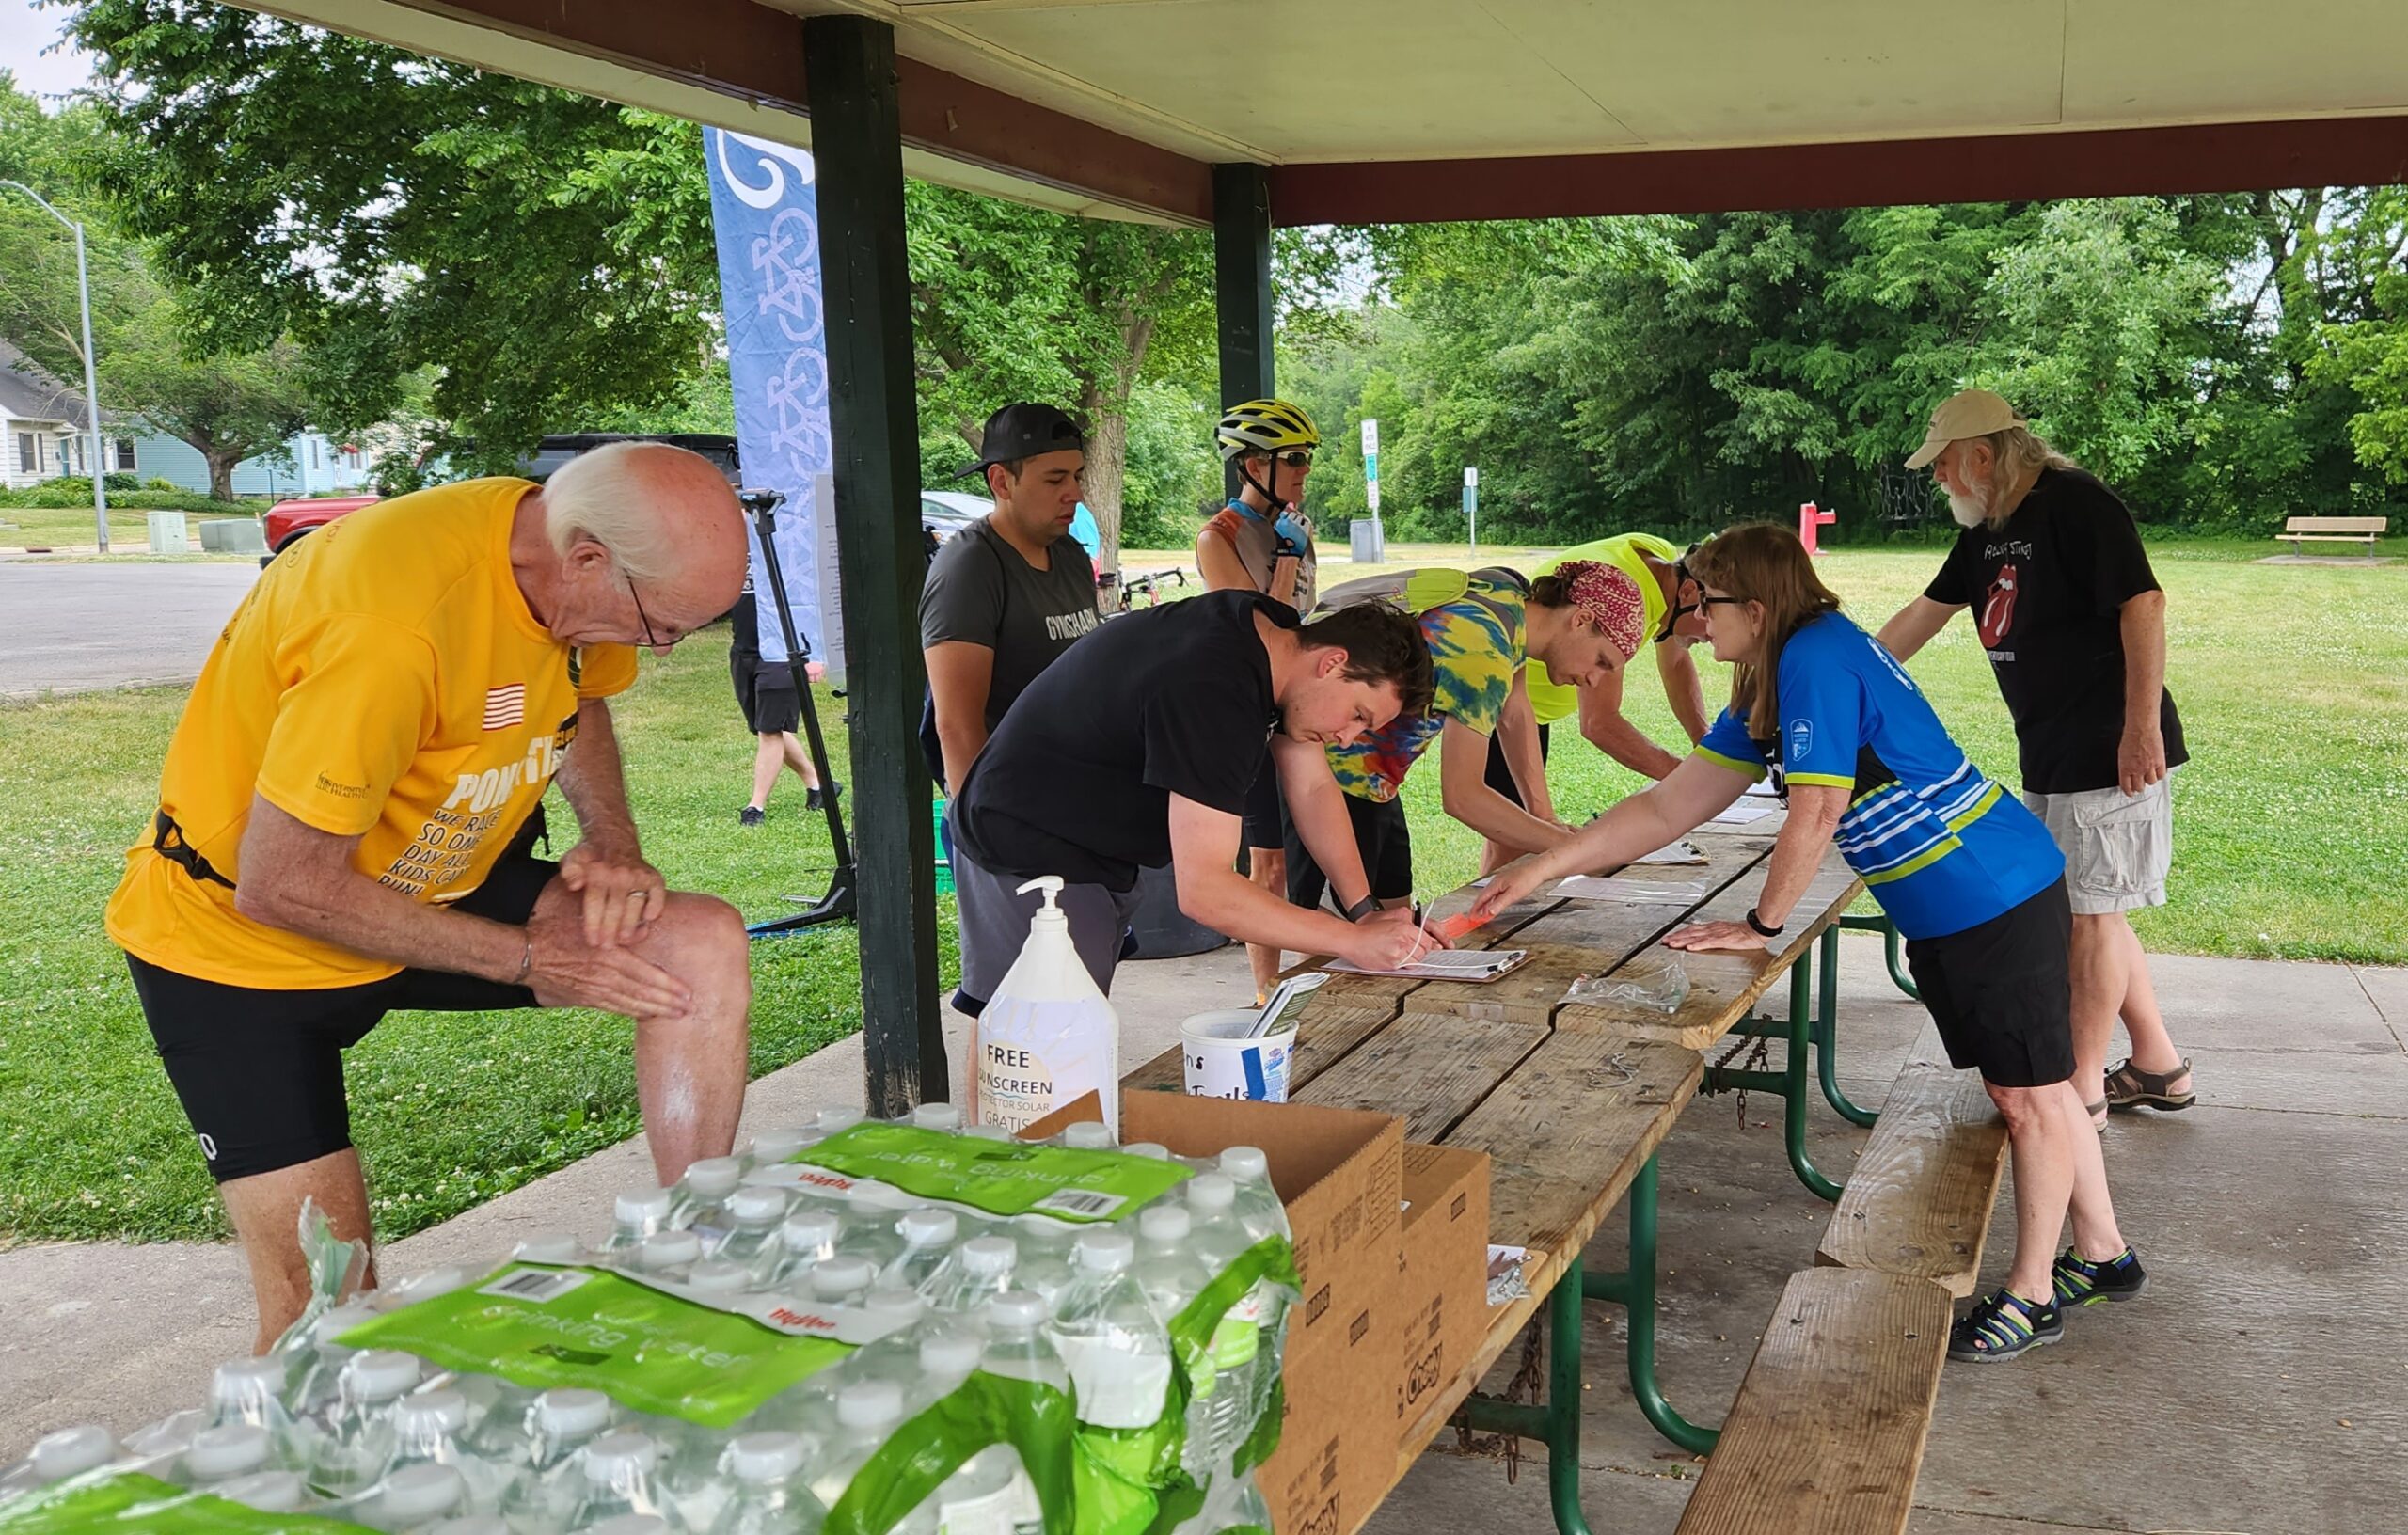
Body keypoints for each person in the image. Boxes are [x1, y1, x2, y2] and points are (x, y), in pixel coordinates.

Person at [104, 443, 754, 1348]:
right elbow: (283, 886)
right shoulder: (390, 623)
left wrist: (612, 841)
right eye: (663, 625)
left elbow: (581, 697)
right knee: (329, 1316)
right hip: (244, 945)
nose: (658, 646)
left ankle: (696, 1248)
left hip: (424, 887)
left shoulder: (551, 546)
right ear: (589, 558)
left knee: (698, 938)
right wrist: (534, 962)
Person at [1475, 523, 2143, 1362]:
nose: (1691, 619)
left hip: (1989, 893)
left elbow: (1817, 810)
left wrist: (1759, 927)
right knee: (2035, 1086)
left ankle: (2035, 1292)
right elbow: (1668, 807)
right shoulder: (1772, 673)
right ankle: (2105, 1250)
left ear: (1755, 608)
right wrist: (1541, 869)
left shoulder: (1815, 659)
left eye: (1705, 602)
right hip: (1960, 903)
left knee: (2029, 1098)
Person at [1877, 389, 2194, 1129]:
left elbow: (2143, 605)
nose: (1939, 479)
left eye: (1945, 465)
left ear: (1983, 456)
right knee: (2093, 910)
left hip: (2110, 749)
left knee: (2091, 918)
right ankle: (2157, 1064)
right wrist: (1843, 675)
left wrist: (2139, 728)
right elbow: (1920, 618)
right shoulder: (1990, 527)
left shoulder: (2076, 503)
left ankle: (2077, 1094)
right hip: (2050, 750)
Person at [946, 591, 1440, 1017]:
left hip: (1091, 841)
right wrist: (1352, 941)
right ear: (1332, 662)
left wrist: (1364, 911)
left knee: (1056, 1037)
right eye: (1357, 715)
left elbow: (1311, 786)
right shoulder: (1215, 688)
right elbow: (1206, 891)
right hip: (1028, 838)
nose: (1345, 737)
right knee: (1030, 1043)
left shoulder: (1274, 634)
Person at [1282, 562, 1637, 919]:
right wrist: (1576, 852)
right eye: (1602, 661)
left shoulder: (1508, 596)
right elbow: (1464, 797)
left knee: (1395, 919)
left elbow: (1514, 711)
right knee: (1331, 935)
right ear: (1580, 619)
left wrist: (1544, 818)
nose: (1594, 680)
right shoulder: (1482, 652)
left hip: (1375, 780)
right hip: (1326, 773)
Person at [1481, 532, 1715, 871]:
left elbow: (1675, 662)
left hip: (1522, 710)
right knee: (1512, 846)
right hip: (1502, 708)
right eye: (1710, 615)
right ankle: (1484, 921)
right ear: (1690, 592)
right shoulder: (1622, 595)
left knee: (1524, 835)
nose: (1711, 633)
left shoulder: (1661, 563)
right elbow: (1600, 723)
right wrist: (1690, 782)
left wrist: (1704, 748)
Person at [1196, 397, 1322, 1001]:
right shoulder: (1218, 537)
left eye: (1306, 459)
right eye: (1292, 459)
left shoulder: (1293, 523)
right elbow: (1260, 625)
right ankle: (1265, 993)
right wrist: (1286, 557)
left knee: (1321, 837)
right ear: (1251, 464)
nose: (1302, 471)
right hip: (1248, 710)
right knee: (1266, 861)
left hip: (1296, 708)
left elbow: (1306, 618)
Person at [920, 403, 1101, 798]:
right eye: (1055, 480)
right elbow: (956, 726)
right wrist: (985, 826)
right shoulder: (970, 568)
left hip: (1080, 796)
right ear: (1002, 482)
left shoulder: (1070, 553)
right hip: (1013, 809)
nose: (1075, 493)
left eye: (1077, 476)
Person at [730, 564, 834, 828]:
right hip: (744, 650)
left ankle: (756, 806)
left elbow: (813, 596)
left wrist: (817, 654)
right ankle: (819, 786)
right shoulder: (733, 543)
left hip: (782, 653)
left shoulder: (785, 540)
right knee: (764, 726)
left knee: (770, 731)